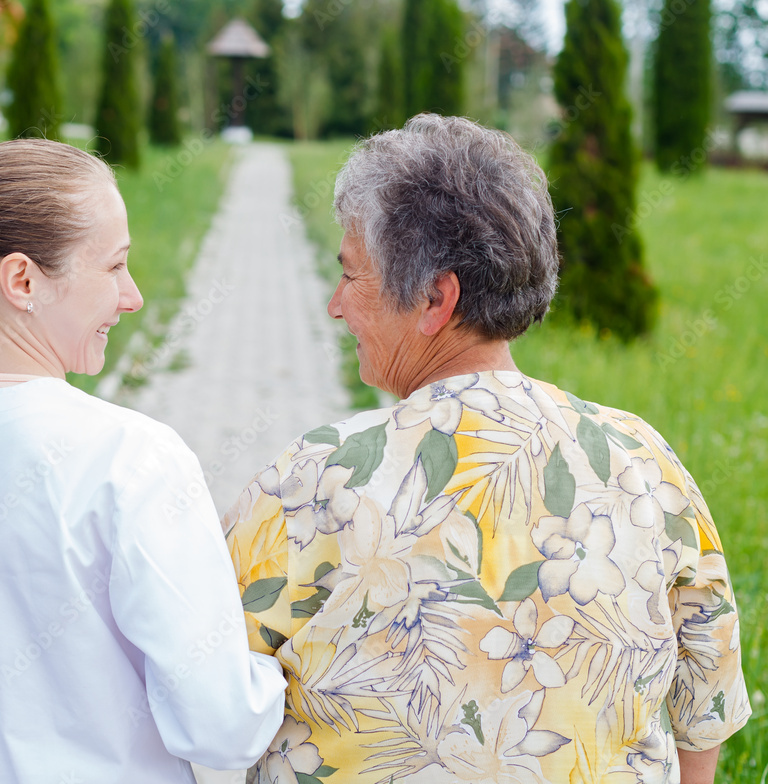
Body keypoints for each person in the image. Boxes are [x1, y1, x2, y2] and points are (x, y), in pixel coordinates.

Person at [223, 115, 751, 784]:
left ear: (436, 298)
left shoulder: (312, 480)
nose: (335, 305)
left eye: (351, 276)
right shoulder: (646, 462)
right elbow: (704, 709)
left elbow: (201, 692)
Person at [0, 138, 285, 783]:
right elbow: (222, 728)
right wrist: (278, 660)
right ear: (23, 280)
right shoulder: (130, 460)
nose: (133, 297)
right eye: (114, 267)